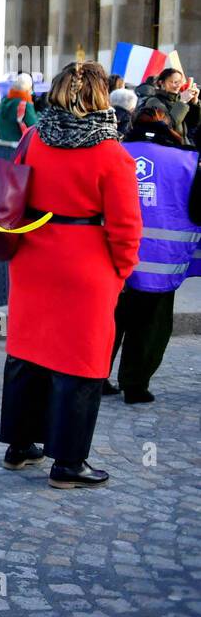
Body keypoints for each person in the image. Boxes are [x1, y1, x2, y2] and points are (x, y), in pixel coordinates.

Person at [0, 62, 141, 488]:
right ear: (100, 96)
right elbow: (126, 227)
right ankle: (69, 463)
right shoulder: (112, 154)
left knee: (28, 352)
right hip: (87, 266)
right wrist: (121, 269)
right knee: (81, 363)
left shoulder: (32, 138)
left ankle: (20, 446)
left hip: (32, 257)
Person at [106, 101, 201, 402]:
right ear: (168, 124)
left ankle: (95, 378)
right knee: (151, 326)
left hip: (113, 258)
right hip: (163, 261)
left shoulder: (114, 152)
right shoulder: (187, 159)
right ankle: (135, 385)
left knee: (110, 320)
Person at [154, 67, 200, 144]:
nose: (178, 86)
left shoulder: (178, 101)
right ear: (161, 83)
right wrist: (182, 101)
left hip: (182, 146)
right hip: (166, 145)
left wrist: (194, 103)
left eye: (180, 82)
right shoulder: (155, 101)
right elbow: (166, 125)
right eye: (174, 82)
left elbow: (194, 123)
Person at [0, 72, 37, 142]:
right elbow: (35, 128)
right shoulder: (25, 105)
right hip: (20, 148)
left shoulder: (3, 103)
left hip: (3, 147)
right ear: (29, 89)